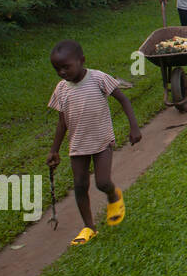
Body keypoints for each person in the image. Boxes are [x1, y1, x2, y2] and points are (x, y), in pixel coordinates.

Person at [46, 40, 141, 245]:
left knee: (102, 182)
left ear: (81, 61)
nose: (62, 72)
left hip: (102, 141)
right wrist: (54, 150)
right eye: (57, 69)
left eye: (66, 67)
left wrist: (134, 127)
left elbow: (123, 99)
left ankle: (113, 195)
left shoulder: (98, 78)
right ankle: (89, 227)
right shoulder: (61, 89)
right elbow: (62, 122)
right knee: (80, 186)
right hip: (78, 145)